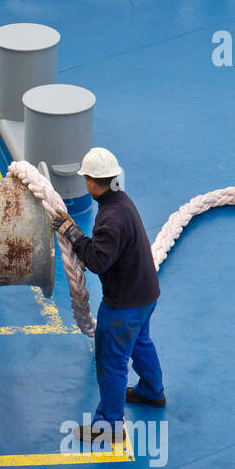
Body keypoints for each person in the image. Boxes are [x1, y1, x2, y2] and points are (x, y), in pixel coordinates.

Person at [49, 147, 165, 445]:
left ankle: (109, 426)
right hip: (146, 294)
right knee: (141, 342)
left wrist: (72, 233)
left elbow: (99, 262)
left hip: (124, 304)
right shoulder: (121, 202)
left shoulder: (110, 217)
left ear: (90, 181)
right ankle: (152, 392)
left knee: (111, 362)